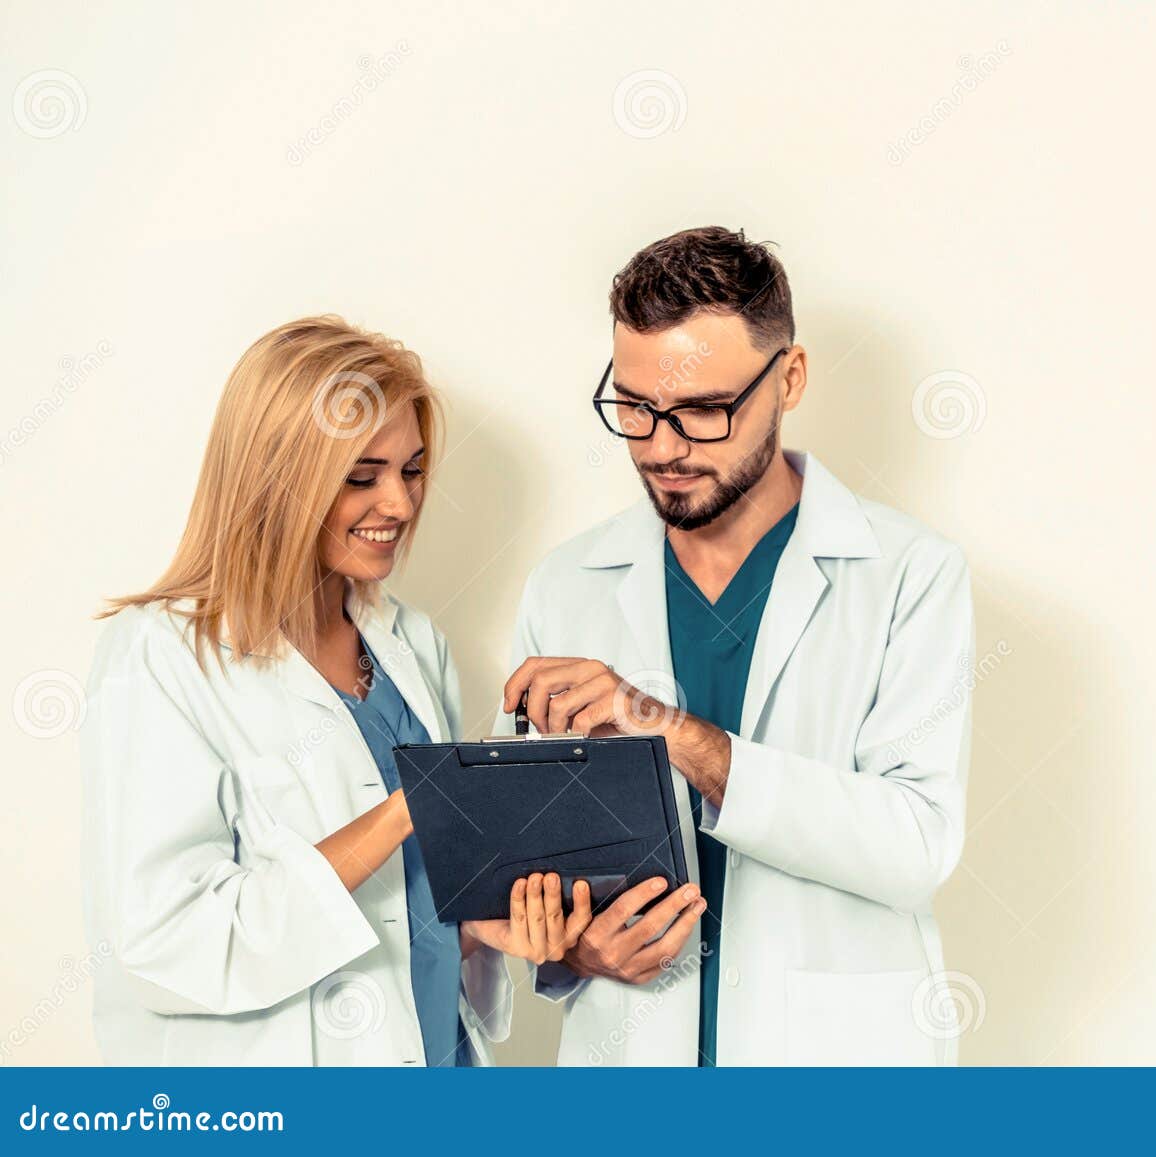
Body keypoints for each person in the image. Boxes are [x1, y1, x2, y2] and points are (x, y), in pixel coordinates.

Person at [502, 227, 975, 1065]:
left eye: (702, 411)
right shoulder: (567, 581)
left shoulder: (910, 575)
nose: (661, 447)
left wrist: (672, 732)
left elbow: (916, 845)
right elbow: (531, 865)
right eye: (635, 407)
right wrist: (575, 951)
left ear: (789, 378)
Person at [81, 316, 587, 1065]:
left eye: (412, 470)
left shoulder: (413, 645)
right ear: (275, 476)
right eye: (362, 475)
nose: (401, 503)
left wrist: (480, 928)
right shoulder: (159, 656)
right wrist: (402, 811)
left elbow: (408, 899)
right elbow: (164, 942)